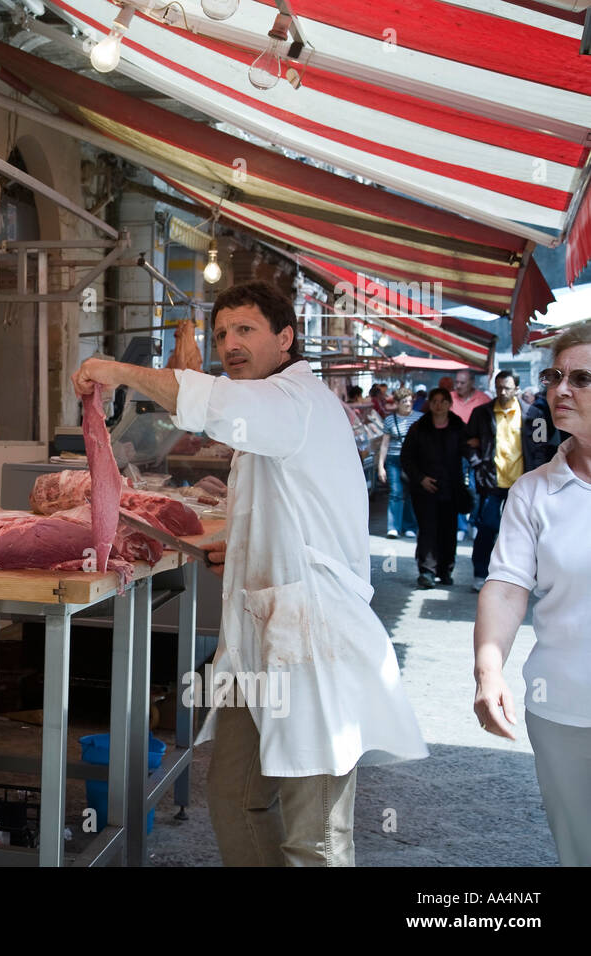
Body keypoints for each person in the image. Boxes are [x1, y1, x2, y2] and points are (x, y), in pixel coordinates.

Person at [72, 281, 426, 867]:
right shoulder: (270, 407)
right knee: (235, 799)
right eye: (221, 334)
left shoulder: (294, 397)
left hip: (313, 640)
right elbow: (290, 505)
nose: (229, 344)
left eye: (246, 331)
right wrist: (238, 546)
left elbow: (216, 406)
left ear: (286, 338)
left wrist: (114, 370)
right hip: (256, 636)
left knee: (313, 837)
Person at [473, 320, 591, 865]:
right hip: (566, 708)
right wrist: (488, 671)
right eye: (555, 376)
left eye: (582, 378)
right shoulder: (534, 491)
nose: (561, 389)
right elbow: (506, 586)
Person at [465, 370, 559, 591]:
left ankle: (522, 576)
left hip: (523, 483)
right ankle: (480, 573)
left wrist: (536, 474)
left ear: (517, 388)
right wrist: (478, 465)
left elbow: (542, 447)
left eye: (507, 388)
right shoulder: (482, 413)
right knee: (486, 527)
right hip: (491, 481)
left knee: (524, 532)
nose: (502, 392)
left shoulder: (534, 414)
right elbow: (466, 443)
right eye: (498, 387)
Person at [400, 388, 469, 588]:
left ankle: (445, 570)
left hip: (451, 488)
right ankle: (427, 571)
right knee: (428, 529)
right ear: (430, 404)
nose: (438, 405)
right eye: (435, 401)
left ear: (449, 403)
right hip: (425, 489)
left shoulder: (458, 427)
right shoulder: (418, 427)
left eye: (442, 401)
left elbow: (469, 448)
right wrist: (420, 478)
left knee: (448, 530)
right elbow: (407, 458)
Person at [451, 369, 492, 540]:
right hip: (455, 452)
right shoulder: (450, 398)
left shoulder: (484, 400)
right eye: (457, 382)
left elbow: (492, 429)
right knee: (457, 487)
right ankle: (460, 526)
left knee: (478, 488)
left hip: (477, 453)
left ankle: (475, 522)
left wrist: (480, 441)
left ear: (472, 383)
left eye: (462, 382)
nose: (458, 386)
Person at [377, 387, 421, 538]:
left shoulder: (420, 418)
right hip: (394, 460)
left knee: (411, 493)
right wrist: (380, 466)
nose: (408, 404)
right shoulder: (390, 420)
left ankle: (410, 526)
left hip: (414, 461)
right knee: (396, 492)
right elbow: (384, 444)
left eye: (410, 400)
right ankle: (393, 527)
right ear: (397, 403)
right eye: (404, 401)